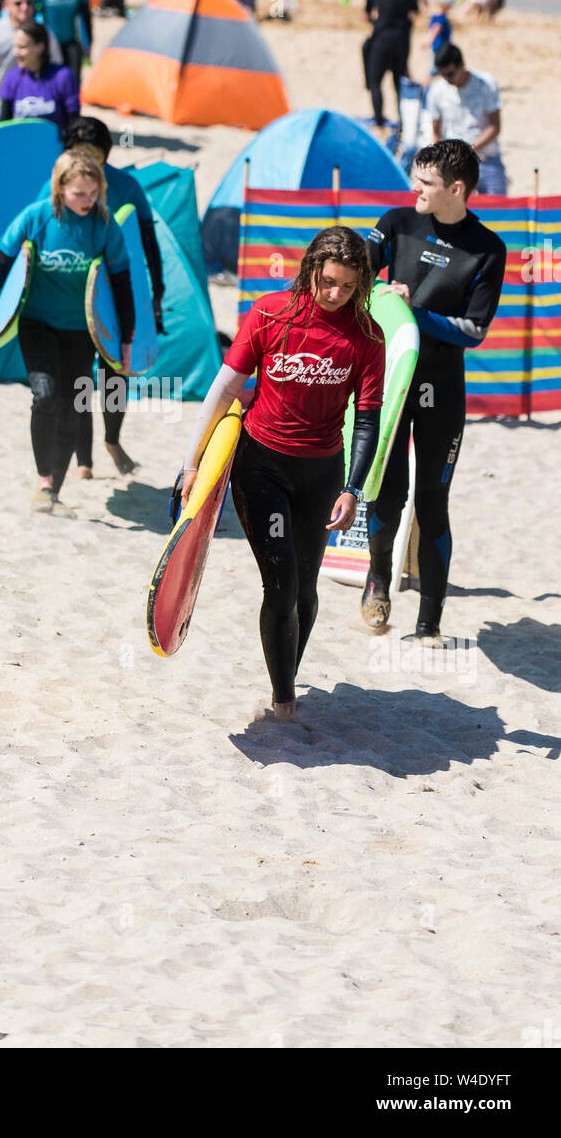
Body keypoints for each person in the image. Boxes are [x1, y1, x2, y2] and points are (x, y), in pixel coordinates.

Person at [180, 226, 385, 722]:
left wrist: (353, 488)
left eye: (348, 287)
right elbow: (224, 388)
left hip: (320, 473)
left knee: (307, 589)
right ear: (311, 269)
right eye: (329, 282)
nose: (336, 295)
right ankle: (284, 700)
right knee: (281, 585)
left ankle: (285, 673)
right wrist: (191, 463)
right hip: (263, 466)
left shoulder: (367, 335)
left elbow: (367, 417)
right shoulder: (271, 313)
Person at [362, 140, 506, 642]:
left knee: (431, 499)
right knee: (387, 489)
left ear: (456, 189)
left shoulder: (488, 249)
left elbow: (473, 330)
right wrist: (382, 292)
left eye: (424, 182)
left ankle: (429, 623)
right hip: (393, 382)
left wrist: (415, 313)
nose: (414, 189)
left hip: (441, 389)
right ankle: (378, 583)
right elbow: (359, 273)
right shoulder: (397, 222)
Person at [0, 150, 135, 517]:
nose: (87, 201)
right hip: (38, 324)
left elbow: (123, 286)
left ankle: (53, 492)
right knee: (45, 395)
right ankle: (43, 481)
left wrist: (125, 339)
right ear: (60, 188)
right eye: (79, 193)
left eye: (93, 193)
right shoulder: (36, 218)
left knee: (72, 406)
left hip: (82, 330)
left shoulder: (104, 226)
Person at [60, 116, 166, 477]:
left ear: (105, 154)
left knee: (116, 373)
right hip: (75, 293)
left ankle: (113, 438)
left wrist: (157, 293)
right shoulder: (61, 189)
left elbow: (148, 243)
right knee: (78, 377)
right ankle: (84, 460)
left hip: (119, 293)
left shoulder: (127, 187)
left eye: (94, 155)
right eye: (79, 154)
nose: (87, 163)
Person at [427, 43, 507, 194]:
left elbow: (495, 126)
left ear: (462, 65)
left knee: (498, 213)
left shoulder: (486, 84)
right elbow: (436, 131)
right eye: (442, 74)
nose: (447, 79)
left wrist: (469, 151)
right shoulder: (437, 90)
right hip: (453, 167)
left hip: (487, 160)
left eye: (450, 74)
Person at [363, 0, 419, 128]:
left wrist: (376, 20)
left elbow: (367, 13)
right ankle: (403, 122)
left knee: (375, 82)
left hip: (382, 37)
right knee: (398, 83)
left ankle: (379, 120)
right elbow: (414, 12)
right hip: (402, 39)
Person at [0, 22, 79, 136]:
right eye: (15, 46)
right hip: (21, 148)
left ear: (40, 47)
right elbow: (3, 125)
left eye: (22, 47)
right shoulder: (11, 77)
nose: (15, 53)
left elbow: (73, 123)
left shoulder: (63, 77)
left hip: (54, 149)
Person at [424, 0, 454, 73]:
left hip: (438, 47)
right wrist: (429, 41)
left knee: (437, 68)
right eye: (450, 4)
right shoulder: (441, 17)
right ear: (444, 5)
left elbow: (431, 30)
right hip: (441, 48)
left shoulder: (435, 16)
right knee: (436, 69)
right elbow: (436, 30)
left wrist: (428, 40)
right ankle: (425, 85)